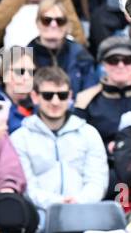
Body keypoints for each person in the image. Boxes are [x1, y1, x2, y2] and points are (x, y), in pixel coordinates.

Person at [9, 66, 108, 210]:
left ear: (70, 96)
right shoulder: (19, 138)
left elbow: (97, 180)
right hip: (39, 214)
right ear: (35, 97)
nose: (55, 102)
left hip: (84, 210)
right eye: (48, 95)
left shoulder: (89, 134)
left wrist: (78, 201)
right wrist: (58, 203)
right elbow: (27, 186)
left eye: (62, 95)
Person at [75, 36, 131, 149]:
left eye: (127, 60)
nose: (121, 65)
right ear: (103, 64)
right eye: (113, 60)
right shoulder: (86, 101)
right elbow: (77, 142)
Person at [27, 0, 95, 94]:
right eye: (46, 20)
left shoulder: (80, 54)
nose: (53, 25)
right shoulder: (24, 55)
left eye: (60, 21)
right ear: (37, 23)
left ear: (67, 25)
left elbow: (89, 92)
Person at [0, 49, 36, 135]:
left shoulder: (42, 102)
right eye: (20, 71)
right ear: (4, 74)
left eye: (32, 72)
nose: (27, 77)